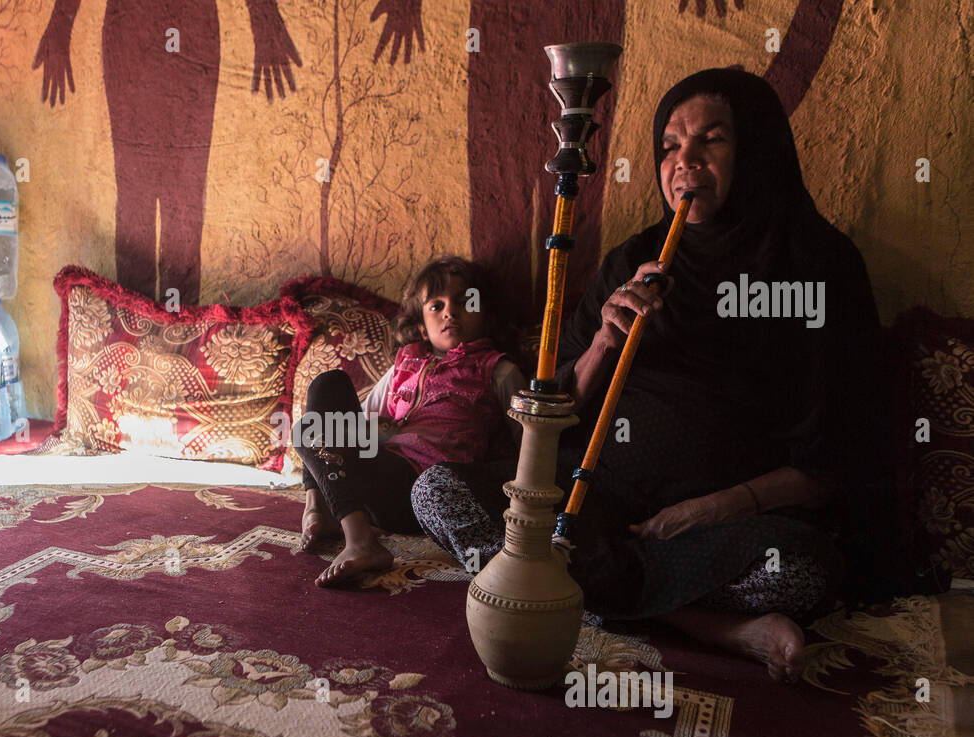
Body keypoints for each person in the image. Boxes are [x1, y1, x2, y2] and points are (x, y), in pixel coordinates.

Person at [411, 68, 907, 682]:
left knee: (799, 570)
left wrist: (708, 510)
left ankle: (581, 589)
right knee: (436, 491)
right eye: (670, 145)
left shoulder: (818, 268)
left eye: (712, 140)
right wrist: (601, 345)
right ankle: (702, 626)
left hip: (719, 524)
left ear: (756, 149)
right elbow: (545, 415)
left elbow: (839, 461)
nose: (684, 162)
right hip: (592, 499)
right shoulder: (633, 260)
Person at [296, 256, 525, 588]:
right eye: (436, 305)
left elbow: (528, 443)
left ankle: (360, 541)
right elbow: (355, 421)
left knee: (314, 428)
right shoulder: (404, 366)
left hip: (423, 492)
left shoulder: (497, 370)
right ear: (421, 325)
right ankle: (320, 507)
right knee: (325, 392)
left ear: (486, 314)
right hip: (372, 481)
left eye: (464, 301)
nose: (450, 312)